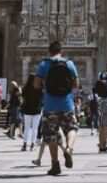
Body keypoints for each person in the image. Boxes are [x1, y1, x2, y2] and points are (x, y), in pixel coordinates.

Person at [35, 40, 79, 177]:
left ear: (49, 51)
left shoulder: (44, 64)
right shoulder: (69, 63)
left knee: (51, 135)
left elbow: (36, 84)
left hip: (49, 105)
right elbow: (76, 84)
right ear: (61, 51)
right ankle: (69, 148)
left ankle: (55, 165)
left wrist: (45, 86)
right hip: (67, 103)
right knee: (72, 128)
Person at [20, 74, 43, 152]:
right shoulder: (39, 88)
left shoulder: (25, 88)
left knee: (26, 128)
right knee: (35, 128)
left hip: (27, 110)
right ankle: (32, 145)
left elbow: (23, 99)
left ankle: (24, 145)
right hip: (37, 110)